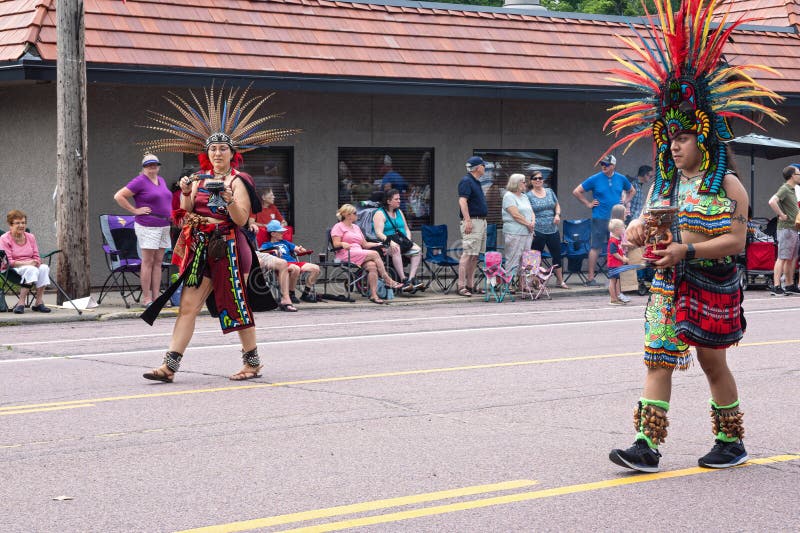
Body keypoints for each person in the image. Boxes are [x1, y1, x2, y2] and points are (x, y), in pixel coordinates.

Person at [603, 0, 786, 472]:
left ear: (701, 138)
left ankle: (730, 441)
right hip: (667, 284)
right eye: (669, 139)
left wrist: (688, 248)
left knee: (711, 363)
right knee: (657, 361)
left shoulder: (729, 184)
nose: (673, 145)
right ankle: (647, 444)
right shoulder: (662, 185)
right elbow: (645, 234)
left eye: (681, 138)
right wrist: (637, 237)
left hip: (713, 282)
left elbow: (737, 243)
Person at [139, 84, 299, 383]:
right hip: (201, 247)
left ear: (232, 153)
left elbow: (241, 218)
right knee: (187, 306)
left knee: (235, 305)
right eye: (212, 149)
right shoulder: (199, 179)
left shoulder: (240, 180)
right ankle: (169, 367)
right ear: (206, 153)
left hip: (230, 248)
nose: (217, 153)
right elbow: (186, 211)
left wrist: (226, 198)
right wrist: (186, 193)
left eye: (222, 148)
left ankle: (252, 363)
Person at [113, 154, 173, 308]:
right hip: (148, 225)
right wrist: (135, 210)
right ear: (144, 167)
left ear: (159, 165)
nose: (152, 166)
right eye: (149, 164)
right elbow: (119, 196)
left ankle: (156, 297)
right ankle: (147, 299)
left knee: (158, 262)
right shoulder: (139, 181)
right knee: (148, 262)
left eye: (155, 164)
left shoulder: (162, 180)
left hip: (164, 225)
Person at [572, 154, 634, 286]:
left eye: (606, 164)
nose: (603, 166)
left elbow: (632, 191)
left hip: (616, 219)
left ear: (613, 165)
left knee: (618, 246)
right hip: (599, 218)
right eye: (602, 164)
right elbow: (577, 191)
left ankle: (619, 279)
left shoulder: (621, 178)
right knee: (596, 247)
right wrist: (588, 204)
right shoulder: (594, 179)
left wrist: (625, 201)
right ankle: (590, 278)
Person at [331, 204, 404, 304]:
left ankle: (374, 295)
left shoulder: (356, 227)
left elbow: (364, 244)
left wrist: (379, 244)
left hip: (359, 252)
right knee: (374, 254)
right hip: (345, 254)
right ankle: (388, 279)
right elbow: (335, 244)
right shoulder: (338, 226)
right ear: (348, 215)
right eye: (355, 213)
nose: (357, 215)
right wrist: (343, 243)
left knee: (372, 266)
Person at [372, 189, 425, 293]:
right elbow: (378, 233)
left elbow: (406, 229)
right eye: (396, 199)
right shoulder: (380, 213)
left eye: (399, 198)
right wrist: (389, 242)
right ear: (388, 201)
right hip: (387, 243)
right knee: (395, 248)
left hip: (402, 241)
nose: (399, 201)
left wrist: (408, 240)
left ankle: (411, 279)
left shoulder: (399, 212)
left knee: (417, 250)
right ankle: (403, 280)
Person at [0, 210, 52, 314]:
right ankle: (21, 303)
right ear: (10, 225)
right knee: (31, 269)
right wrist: (29, 263)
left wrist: (36, 262)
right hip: (11, 269)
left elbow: (36, 256)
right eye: (18, 223)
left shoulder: (30, 237)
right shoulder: (4, 239)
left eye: (23, 222)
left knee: (44, 268)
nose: (21, 225)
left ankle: (38, 302)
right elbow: (8, 261)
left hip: (30, 266)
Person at [260, 220, 320, 304]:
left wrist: (301, 249)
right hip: (282, 264)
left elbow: (297, 249)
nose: (282, 234)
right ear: (273, 234)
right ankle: (291, 294)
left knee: (315, 268)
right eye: (280, 232)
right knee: (295, 269)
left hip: (293, 262)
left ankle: (305, 294)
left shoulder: (285, 242)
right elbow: (261, 253)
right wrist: (272, 251)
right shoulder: (267, 244)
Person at [526, 169, 569, 289]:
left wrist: (557, 215)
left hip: (552, 228)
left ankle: (560, 281)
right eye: (535, 178)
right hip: (538, 229)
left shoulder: (549, 191)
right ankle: (536, 281)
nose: (538, 180)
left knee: (557, 255)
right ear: (531, 181)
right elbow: (528, 212)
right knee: (535, 256)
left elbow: (557, 205)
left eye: (540, 178)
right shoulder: (528, 195)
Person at [456, 156, 489, 297]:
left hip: (481, 222)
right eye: (483, 165)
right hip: (473, 222)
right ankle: (461, 286)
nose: (484, 167)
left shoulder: (476, 181)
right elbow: (462, 201)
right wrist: (468, 221)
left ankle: (470, 285)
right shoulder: (466, 180)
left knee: (474, 256)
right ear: (477, 167)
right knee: (467, 254)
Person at [767, 166, 800, 295]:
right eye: (798, 174)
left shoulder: (791, 190)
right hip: (786, 228)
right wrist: (781, 214)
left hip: (792, 228)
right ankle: (776, 286)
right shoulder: (785, 188)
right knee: (782, 257)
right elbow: (772, 201)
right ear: (792, 176)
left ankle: (789, 284)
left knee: (789, 258)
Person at [501, 173, 535, 288]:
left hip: (527, 232)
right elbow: (515, 214)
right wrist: (528, 224)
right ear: (516, 183)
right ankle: (509, 285)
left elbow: (531, 212)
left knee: (525, 259)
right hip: (514, 232)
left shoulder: (524, 196)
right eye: (523, 181)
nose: (526, 184)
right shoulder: (509, 196)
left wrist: (532, 222)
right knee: (513, 258)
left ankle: (523, 284)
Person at [255, 248, 297, 312]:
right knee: (259, 262)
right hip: (237, 254)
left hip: (255, 252)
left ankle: (285, 300)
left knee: (282, 263)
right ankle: (254, 300)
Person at [606, 218, 628, 305]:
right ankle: (613, 299)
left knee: (615, 281)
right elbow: (614, 253)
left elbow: (619, 251)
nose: (624, 229)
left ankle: (615, 297)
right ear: (617, 230)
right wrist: (622, 259)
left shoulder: (617, 239)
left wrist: (623, 257)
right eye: (622, 227)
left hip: (617, 264)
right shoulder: (613, 240)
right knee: (613, 281)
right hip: (613, 264)